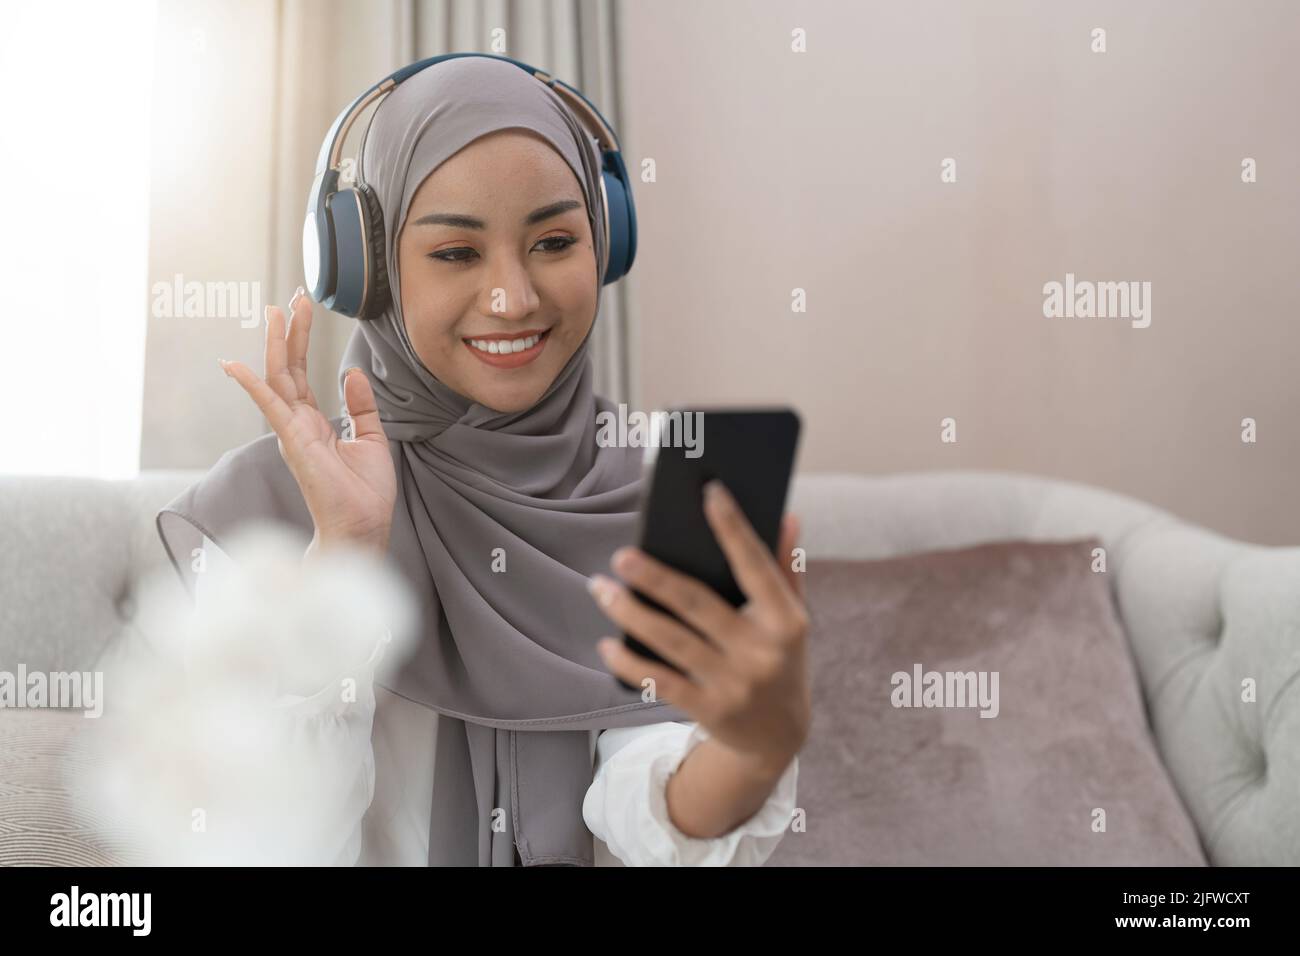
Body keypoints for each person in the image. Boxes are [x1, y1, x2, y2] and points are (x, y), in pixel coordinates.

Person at [157, 54, 811, 866]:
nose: (514, 297)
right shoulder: (265, 511)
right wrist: (341, 567)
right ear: (369, 272)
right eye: (456, 254)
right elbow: (249, 839)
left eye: (554, 240)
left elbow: (654, 808)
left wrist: (753, 746)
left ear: (606, 246)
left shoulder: (644, 496)